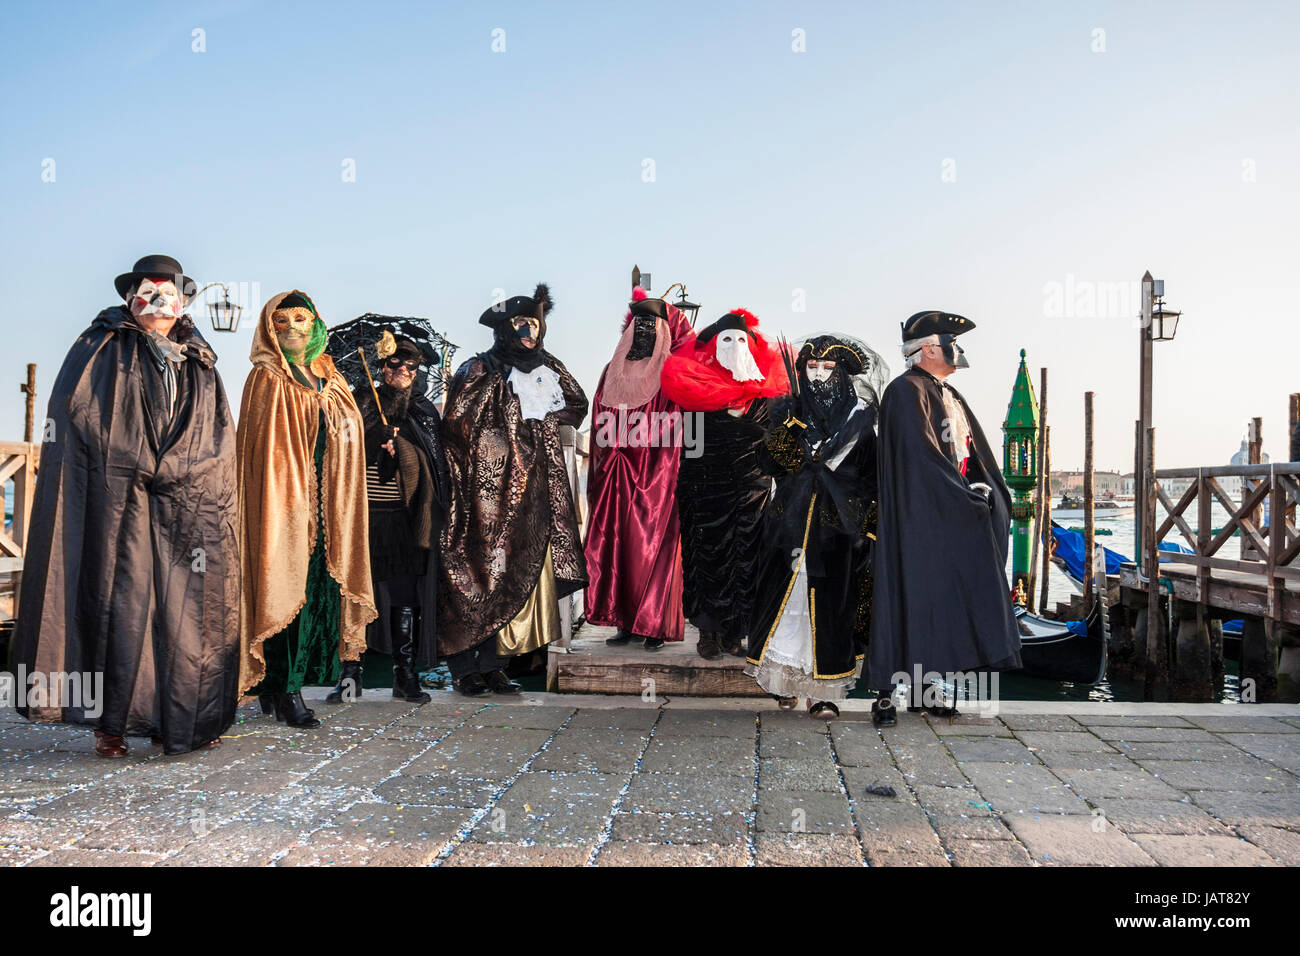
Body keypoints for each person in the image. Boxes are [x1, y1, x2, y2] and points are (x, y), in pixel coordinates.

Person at [12, 254, 240, 756]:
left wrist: (184, 468)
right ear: (130, 299)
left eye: (169, 293)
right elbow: (79, 416)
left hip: (186, 501)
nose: (158, 302)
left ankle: (175, 718)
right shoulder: (100, 345)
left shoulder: (198, 358)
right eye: (148, 292)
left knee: (183, 612)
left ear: (182, 303)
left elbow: (216, 431)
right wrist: (134, 461)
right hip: (119, 502)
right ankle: (110, 723)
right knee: (121, 606)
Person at [866, 310, 1022, 725]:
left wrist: (983, 490)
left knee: (939, 604)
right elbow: (920, 457)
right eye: (953, 342)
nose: (960, 350)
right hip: (918, 519)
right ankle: (885, 695)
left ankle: (925, 688)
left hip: (947, 516)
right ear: (930, 349)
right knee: (907, 596)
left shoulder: (944, 392)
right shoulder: (904, 391)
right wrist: (962, 497)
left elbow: (968, 455)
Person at [439, 284, 589, 696]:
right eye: (519, 324)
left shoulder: (550, 367)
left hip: (537, 492)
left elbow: (577, 403)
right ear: (504, 329)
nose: (528, 331)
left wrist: (544, 419)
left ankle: (494, 666)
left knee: (522, 572)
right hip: (485, 495)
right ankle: (464, 668)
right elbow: (456, 425)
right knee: (479, 571)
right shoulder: (478, 369)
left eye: (534, 324)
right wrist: (513, 423)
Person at [237, 290, 377, 728]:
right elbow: (261, 452)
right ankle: (284, 686)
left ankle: (287, 685)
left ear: (316, 324)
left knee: (320, 595)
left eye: (302, 319)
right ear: (270, 329)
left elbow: (351, 429)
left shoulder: (329, 375)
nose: (294, 328)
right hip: (284, 505)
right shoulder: (266, 378)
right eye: (283, 321)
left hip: (331, 503)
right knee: (282, 588)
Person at [746, 334, 886, 718]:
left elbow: (873, 480)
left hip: (838, 533)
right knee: (787, 605)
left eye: (828, 368)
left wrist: (869, 528)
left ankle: (823, 692)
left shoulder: (861, 421)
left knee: (829, 609)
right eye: (812, 367)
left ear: (842, 373)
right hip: (787, 526)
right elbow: (769, 466)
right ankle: (783, 683)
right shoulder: (786, 411)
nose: (820, 375)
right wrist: (787, 433)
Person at [326, 336, 449, 704]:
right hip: (363, 517)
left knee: (403, 597)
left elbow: (435, 464)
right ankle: (351, 675)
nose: (404, 372)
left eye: (412, 367)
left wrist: (405, 449)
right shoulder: (362, 402)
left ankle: (405, 675)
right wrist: (371, 437)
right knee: (356, 593)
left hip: (405, 519)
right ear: (383, 367)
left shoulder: (423, 411)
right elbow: (340, 447)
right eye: (397, 365)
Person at [660, 308, 788, 660]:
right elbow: (694, 443)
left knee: (747, 559)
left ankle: (736, 631)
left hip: (752, 489)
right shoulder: (694, 389)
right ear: (714, 346)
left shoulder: (766, 394)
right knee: (707, 559)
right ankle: (709, 631)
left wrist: (741, 422)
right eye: (726, 340)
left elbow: (772, 439)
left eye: (740, 340)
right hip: (705, 488)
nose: (734, 346)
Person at [584, 287, 694, 651]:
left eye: (653, 323)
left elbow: (684, 426)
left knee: (654, 548)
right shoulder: (611, 371)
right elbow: (600, 420)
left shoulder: (674, 371)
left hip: (659, 477)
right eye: (638, 324)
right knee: (619, 548)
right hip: (617, 478)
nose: (644, 330)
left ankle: (655, 625)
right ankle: (623, 619)